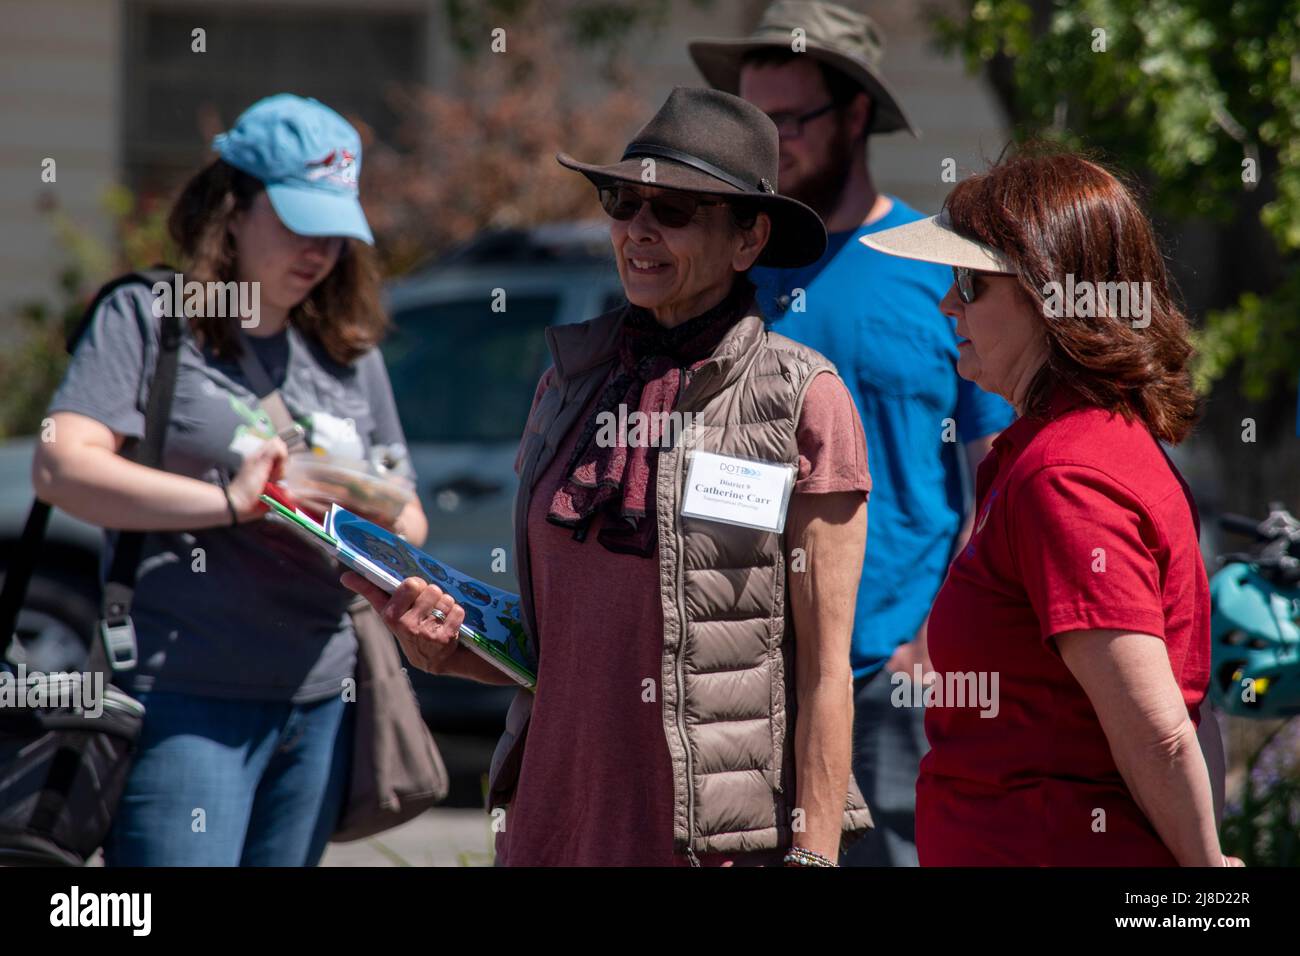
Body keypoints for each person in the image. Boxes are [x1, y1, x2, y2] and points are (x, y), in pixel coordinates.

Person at [346, 87, 873, 866]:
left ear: (749, 238)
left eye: (677, 210)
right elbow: (560, 641)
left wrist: (815, 857)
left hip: (710, 842)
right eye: (623, 201)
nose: (639, 230)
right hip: (551, 823)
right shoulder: (569, 378)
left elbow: (827, 673)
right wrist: (450, 647)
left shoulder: (803, 398)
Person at [32, 94, 427, 866]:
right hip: (183, 697)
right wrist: (230, 504)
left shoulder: (351, 353)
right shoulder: (149, 320)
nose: (319, 250)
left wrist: (355, 506)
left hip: (320, 700)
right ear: (233, 209)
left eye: (335, 233)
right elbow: (61, 465)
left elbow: (408, 521)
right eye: (297, 223)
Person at [688, 0, 1015, 865]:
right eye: (756, 122)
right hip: (738, 674)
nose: (772, 144)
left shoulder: (936, 268)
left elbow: (1000, 478)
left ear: (856, 112)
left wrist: (936, 640)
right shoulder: (728, 267)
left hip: (891, 674)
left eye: (790, 120)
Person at [862, 146, 1237, 865]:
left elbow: (1160, 728)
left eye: (971, 284)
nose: (947, 304)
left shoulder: (1066, 476)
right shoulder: (1069, 448)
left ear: (1049, 297)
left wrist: (1208, 884)